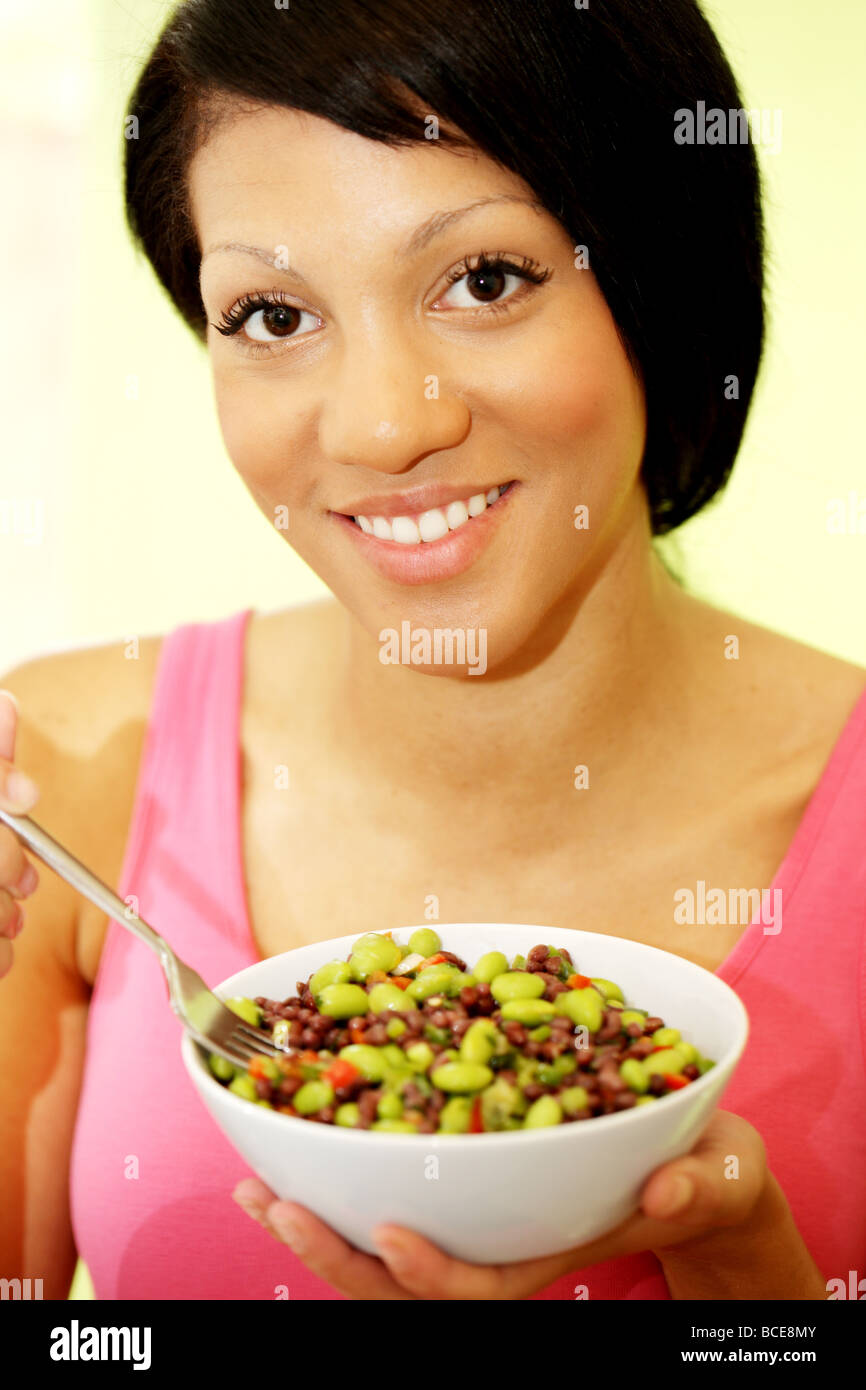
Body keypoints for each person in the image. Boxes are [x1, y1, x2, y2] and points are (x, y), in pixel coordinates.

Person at [1, 0, 864, 1301]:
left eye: (484, 281)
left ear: (659, 285)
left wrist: (745, 1278)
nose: (381, 426)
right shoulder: (61, 771)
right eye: (273, 316)